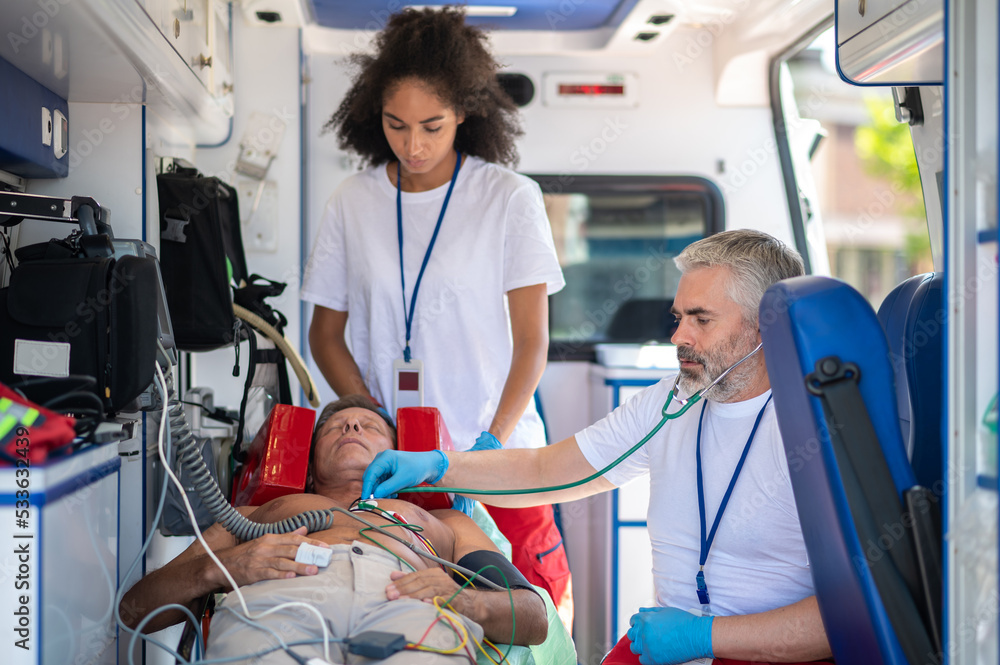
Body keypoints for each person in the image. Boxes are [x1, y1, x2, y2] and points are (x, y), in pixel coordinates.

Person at [362, 230, 836, 665]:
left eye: (701, 319)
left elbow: (847, 619)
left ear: (766, 326)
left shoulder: (814, 432)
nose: (678, 337)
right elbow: (546, 470)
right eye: (678, 318)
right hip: (669, 646)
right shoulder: (671, 402)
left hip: (763, 653)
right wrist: (438, 468)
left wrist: (705, 637)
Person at [300, 6, 572, 627]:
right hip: (396, 470)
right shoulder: (353, 202)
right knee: (409, 614)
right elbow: (325, 335)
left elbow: (532, 342)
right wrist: (376, 420)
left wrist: (490, 444)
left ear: (465, 113)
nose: (413, 145)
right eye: (396, 125)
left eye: (432, 125)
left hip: (502, 461)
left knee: (533, 621)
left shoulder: (509, 198)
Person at [119, 396, 549, 664]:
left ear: (399, 457)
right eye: (334, 427)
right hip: (279, 605)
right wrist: (221, 568)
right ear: (307, 466)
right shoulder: (254, 514)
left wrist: (466, 600)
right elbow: (132, 611)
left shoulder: (447, 524)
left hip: (411, 605)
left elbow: (533, 618)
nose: (352, 427)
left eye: (370, 426)